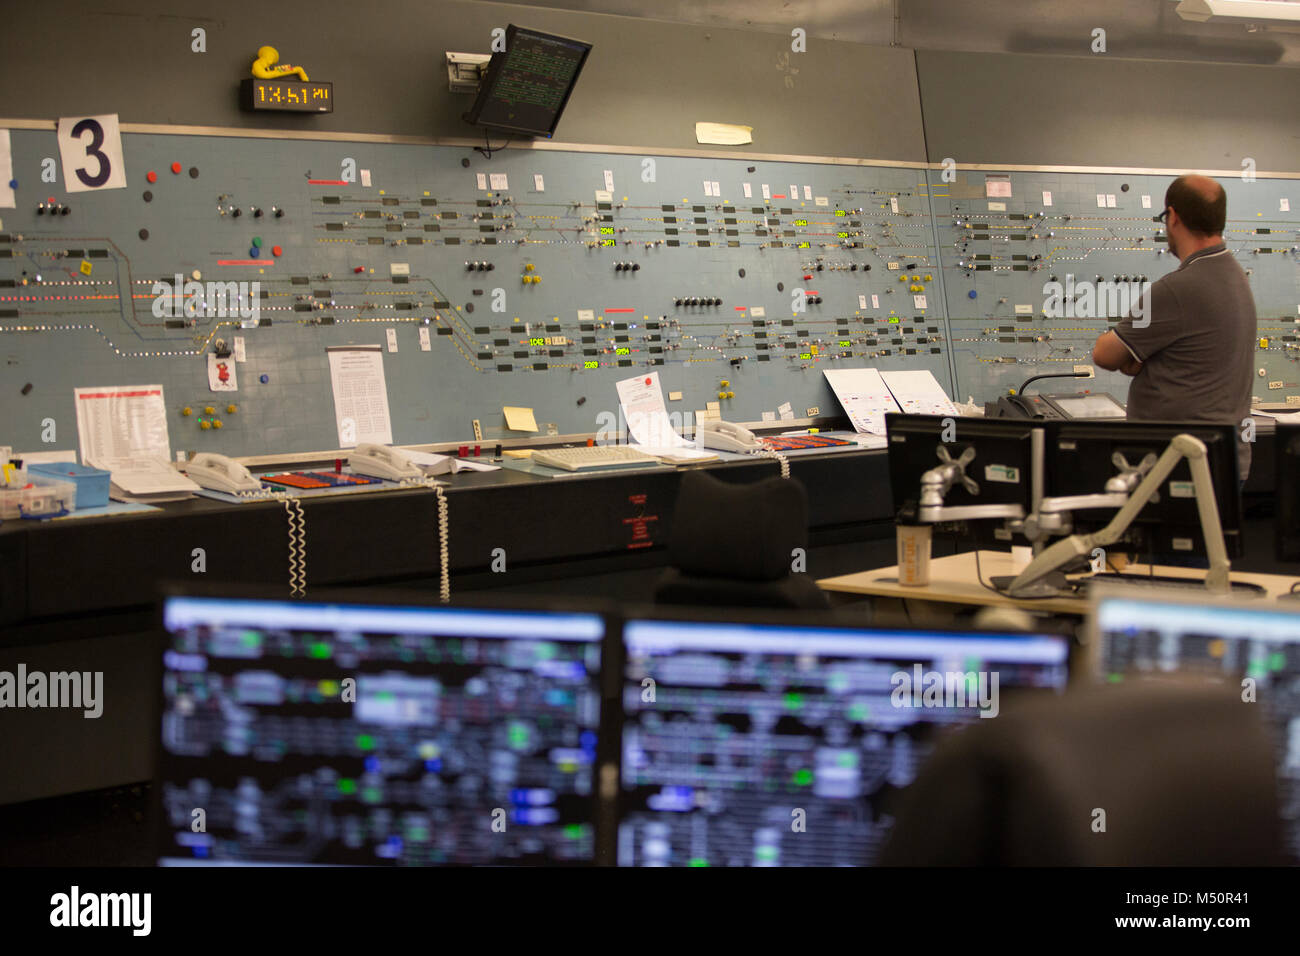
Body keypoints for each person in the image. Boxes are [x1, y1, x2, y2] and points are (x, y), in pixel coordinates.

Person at [1092, 174, 1256, 488]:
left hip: (1180, 465)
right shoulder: (1236, 276)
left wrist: (1135, 359)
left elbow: (1105, 354)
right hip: (1220, 460)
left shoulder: (1176, 289)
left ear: (1173, 217)